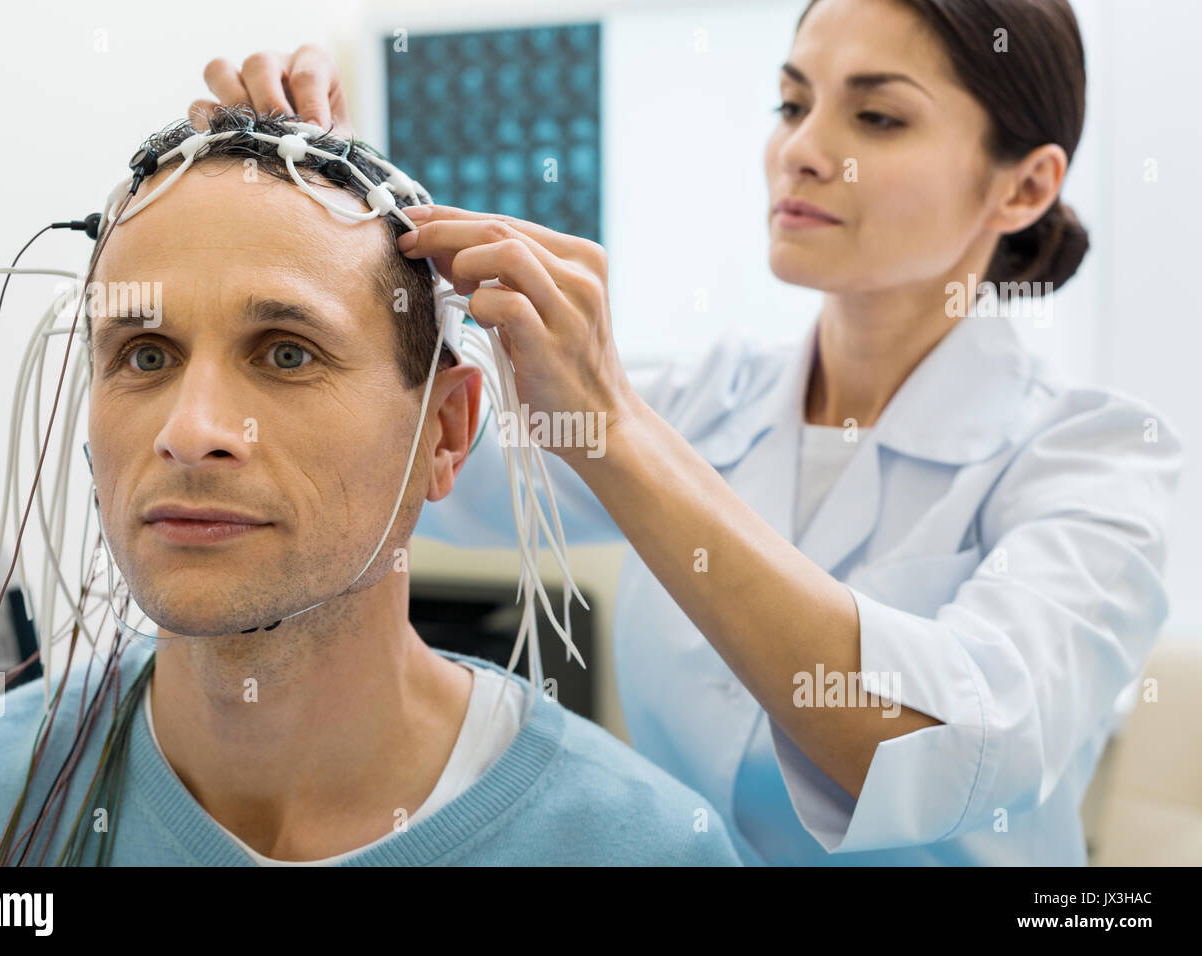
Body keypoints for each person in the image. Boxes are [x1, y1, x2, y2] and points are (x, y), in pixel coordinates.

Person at [204, 0, 1184, 866]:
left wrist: (614, 430)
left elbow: (954, 745)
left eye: (875, 116)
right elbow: (410, 466)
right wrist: (315, 197)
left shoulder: (1092, 457)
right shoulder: (714, 399)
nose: (804, 147)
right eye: (792, 103)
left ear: (1023, 186)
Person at [0, 109, 741, 867]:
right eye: (146, 354)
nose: (190, 431)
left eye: (286, 353)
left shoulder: (644, 847)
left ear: (444, 434)